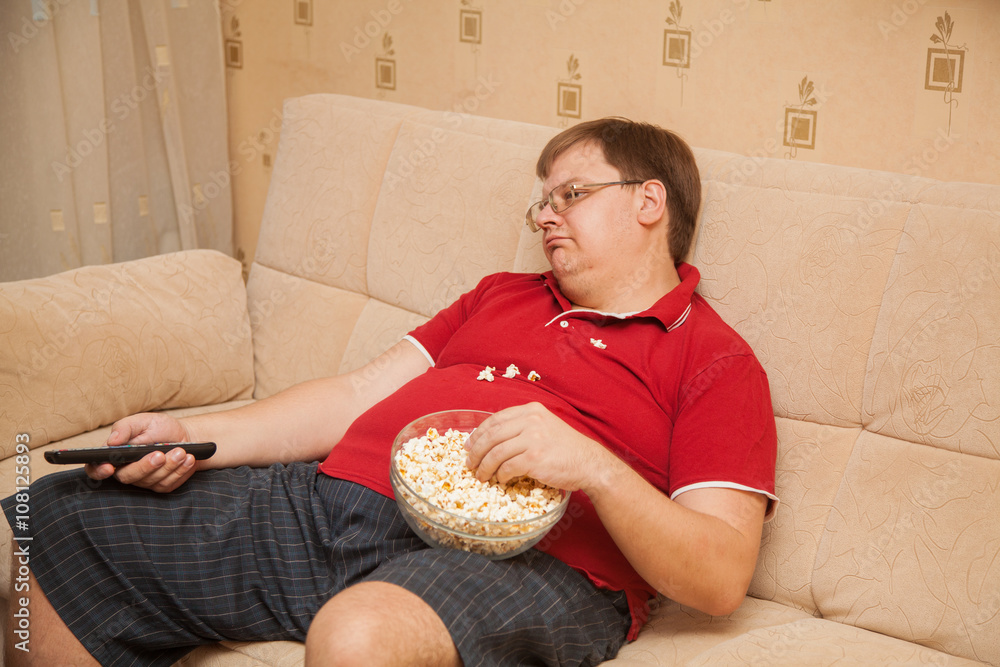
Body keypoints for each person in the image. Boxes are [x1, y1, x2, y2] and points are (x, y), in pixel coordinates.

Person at [4, 117, 777, 667]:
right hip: (328, 506)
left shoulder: (714, 358)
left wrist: (596, 466)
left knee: (359, 637)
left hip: (533, 564)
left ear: (650, 202)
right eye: (540, 201)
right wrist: (191, 431)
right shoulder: (502, 294)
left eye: (569, 195)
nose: (545, 216)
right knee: (38, 522)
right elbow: (355, 394)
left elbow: (717, 576)